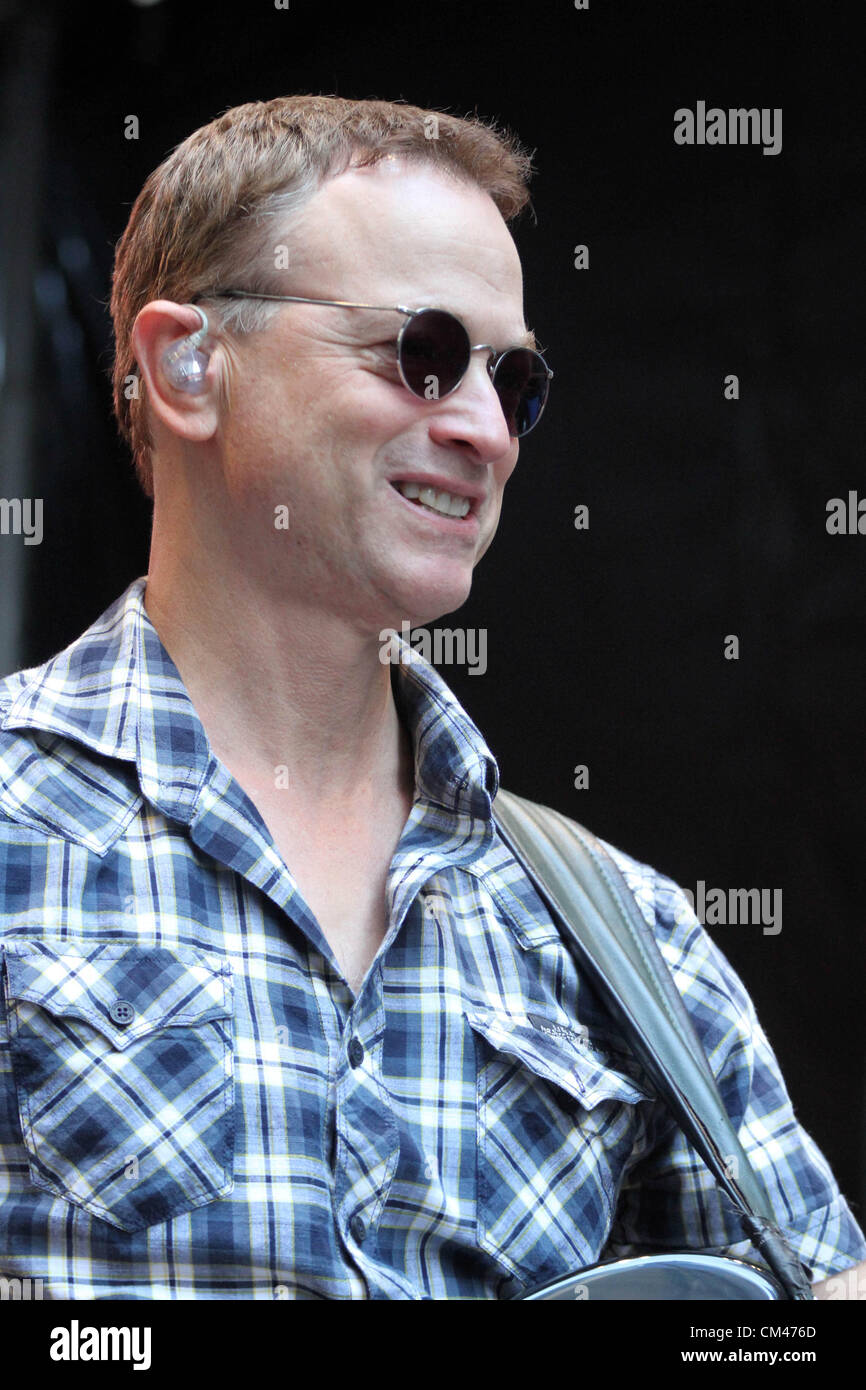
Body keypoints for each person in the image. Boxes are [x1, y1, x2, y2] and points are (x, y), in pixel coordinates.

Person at [0, 94, 863, 1301]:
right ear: (186, 367)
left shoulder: (622, 932)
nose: (484, 431)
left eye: (514, 382)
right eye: (423, 353)